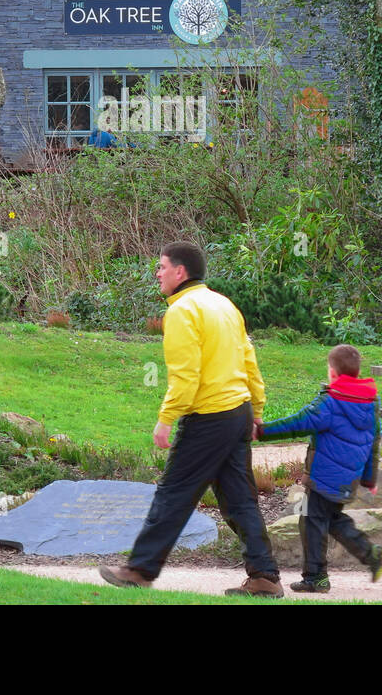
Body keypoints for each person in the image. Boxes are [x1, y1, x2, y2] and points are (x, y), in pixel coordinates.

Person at [99, 241, 284, 597]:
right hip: (238, 412)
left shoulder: (182, 311)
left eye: (161, 267)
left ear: (180, 272)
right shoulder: (225, 305)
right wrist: (256, 412)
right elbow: (250, 364)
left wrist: (166, 418)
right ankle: (265, 577)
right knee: (240, 500)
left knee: (174, 493)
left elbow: (186, 375)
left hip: (209, 416)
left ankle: (139, 569)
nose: (157, 273)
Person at [255, 343, 382, 593]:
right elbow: (374, 441)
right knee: (333, 519)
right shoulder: (370, 401)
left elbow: (298, 422)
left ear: (332, 372)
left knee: (313, 521)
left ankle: (316, 577)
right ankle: (371, 555)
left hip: (324, 477)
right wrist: (369, 478)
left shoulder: (331, 401)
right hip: (347, 478)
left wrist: (262, 431)